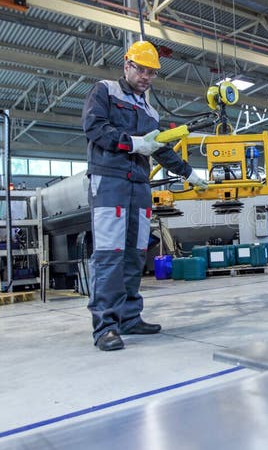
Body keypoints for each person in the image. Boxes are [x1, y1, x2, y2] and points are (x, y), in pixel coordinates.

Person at [83, 40, 207, 351]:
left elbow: (160, 148)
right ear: (127, 65)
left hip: (139, 186)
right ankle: (105, 327)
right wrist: (135, 144)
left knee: (135, 253)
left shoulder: (149, 109)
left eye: (151, 72)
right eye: (141, 69)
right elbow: (95, 128)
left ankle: (129, 316)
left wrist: (189, 173)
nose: (146, 76)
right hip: (110, 179)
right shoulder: (105, 91)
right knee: (110, 255)